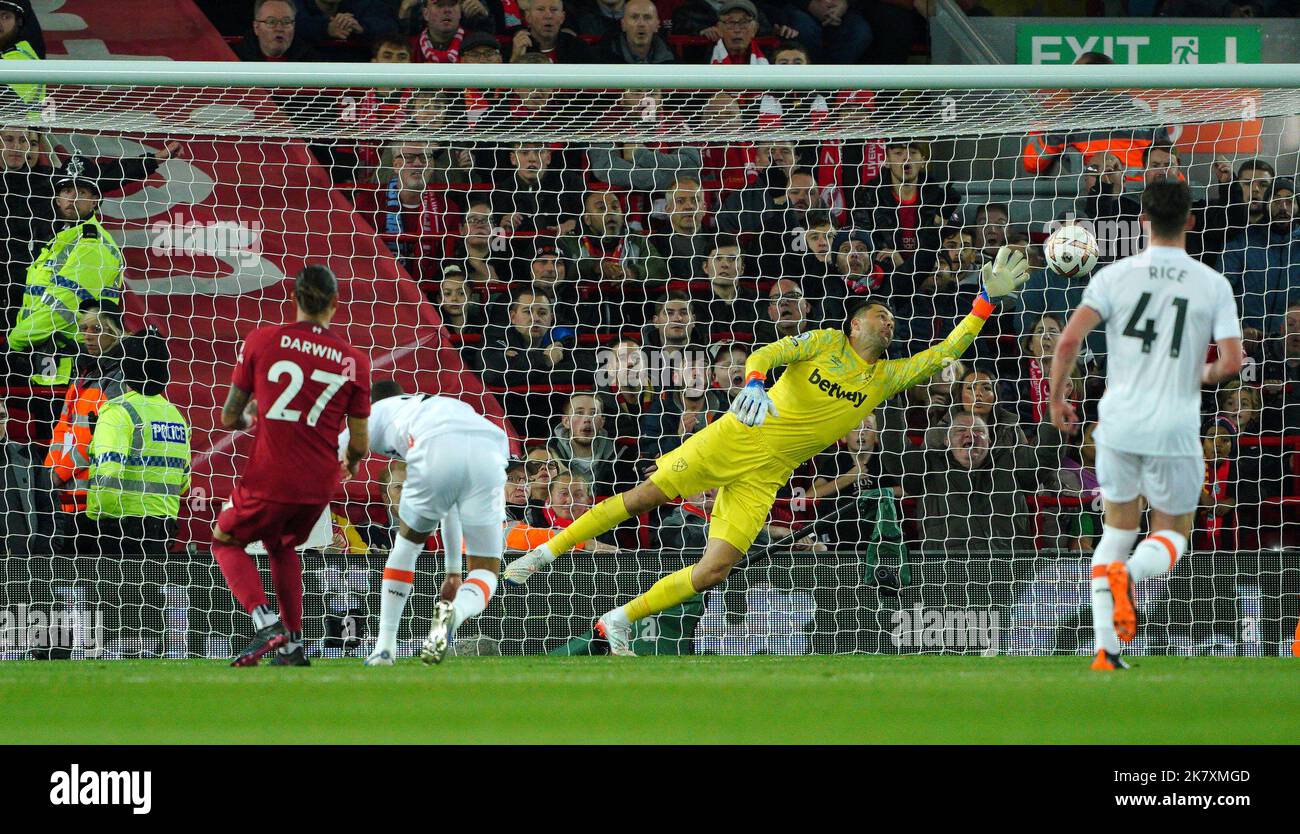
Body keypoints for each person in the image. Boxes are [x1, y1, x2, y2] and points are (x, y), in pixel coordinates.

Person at [504, 246, 1030, 655]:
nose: (888, 321)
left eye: (892, 319)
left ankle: (619, 620)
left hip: (768, 473)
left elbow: (946, 350)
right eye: (878, 314)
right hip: (735, 436)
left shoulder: (886, 377)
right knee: (644, 498)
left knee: (715, 569)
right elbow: (766, 351)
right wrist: (754, 382)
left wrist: (984, 300)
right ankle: (541, 554)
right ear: (854, 324)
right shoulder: (826, 342)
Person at [1048, 179, 1244, 672]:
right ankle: (1130, 579)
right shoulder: (1212, 283)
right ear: (1191, 222)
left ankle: (1106, 652)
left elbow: (1069, 341)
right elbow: (1233, 363)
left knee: (1115, 531)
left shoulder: (1115, 277)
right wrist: (1197, 372)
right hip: (1174, 425)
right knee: (1174, 532)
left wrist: (1056, 400)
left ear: (1142, 221)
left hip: (1117, 423)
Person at [213, 266, 372, 667]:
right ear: (335, 304)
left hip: (271, 474)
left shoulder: (263, 340)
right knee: (281, 544)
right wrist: (349, 464)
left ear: (296, 299)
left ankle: (267, 623)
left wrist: (252, 417)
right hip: (319, 483)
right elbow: (359, 442)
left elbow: (230, 418)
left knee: (223, 540)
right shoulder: (354, 361)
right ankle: (292, 646)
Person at [358, 381, 510, 666]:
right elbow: (449, 504)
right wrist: (453, 571)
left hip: (439, 448)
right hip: (490, 448)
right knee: (486, 571)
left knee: (406, 545)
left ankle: (384, 649)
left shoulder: (380, 415)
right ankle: (456, 613)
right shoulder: (441, 406)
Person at [8, 161, 123, 388]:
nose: (72, 198)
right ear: (58, 199)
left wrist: (14, 342)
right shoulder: (60, 241)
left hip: (74, 365)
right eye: (67, 191)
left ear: (95, 201)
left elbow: (62, 309)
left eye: (81, 192)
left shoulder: (93, 245)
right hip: (45, 361)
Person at [83, 329, 190, 557]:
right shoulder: (176, 417)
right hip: (162, 527)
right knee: (149, 592)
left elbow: (109, 471)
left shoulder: (118, 412)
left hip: (118, 528)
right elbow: (183, 482)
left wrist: (95, 518)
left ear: (127, 367)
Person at [45, 306, 125, 544]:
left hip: (95, 504)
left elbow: (94, 438)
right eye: (84, 329)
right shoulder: (84, 373)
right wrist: (48, 473)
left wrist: (55, 475)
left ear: (115, 332)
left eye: (97, 329)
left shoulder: (119, 379)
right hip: (69, 498)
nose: (88, 335)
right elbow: (63, 427)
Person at [234, 0, 324, 61]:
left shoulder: (311, 61)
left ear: (294, 26)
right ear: (256, 27)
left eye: (286, 22)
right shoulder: (234, 58)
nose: (279, 28)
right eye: (271, 22)